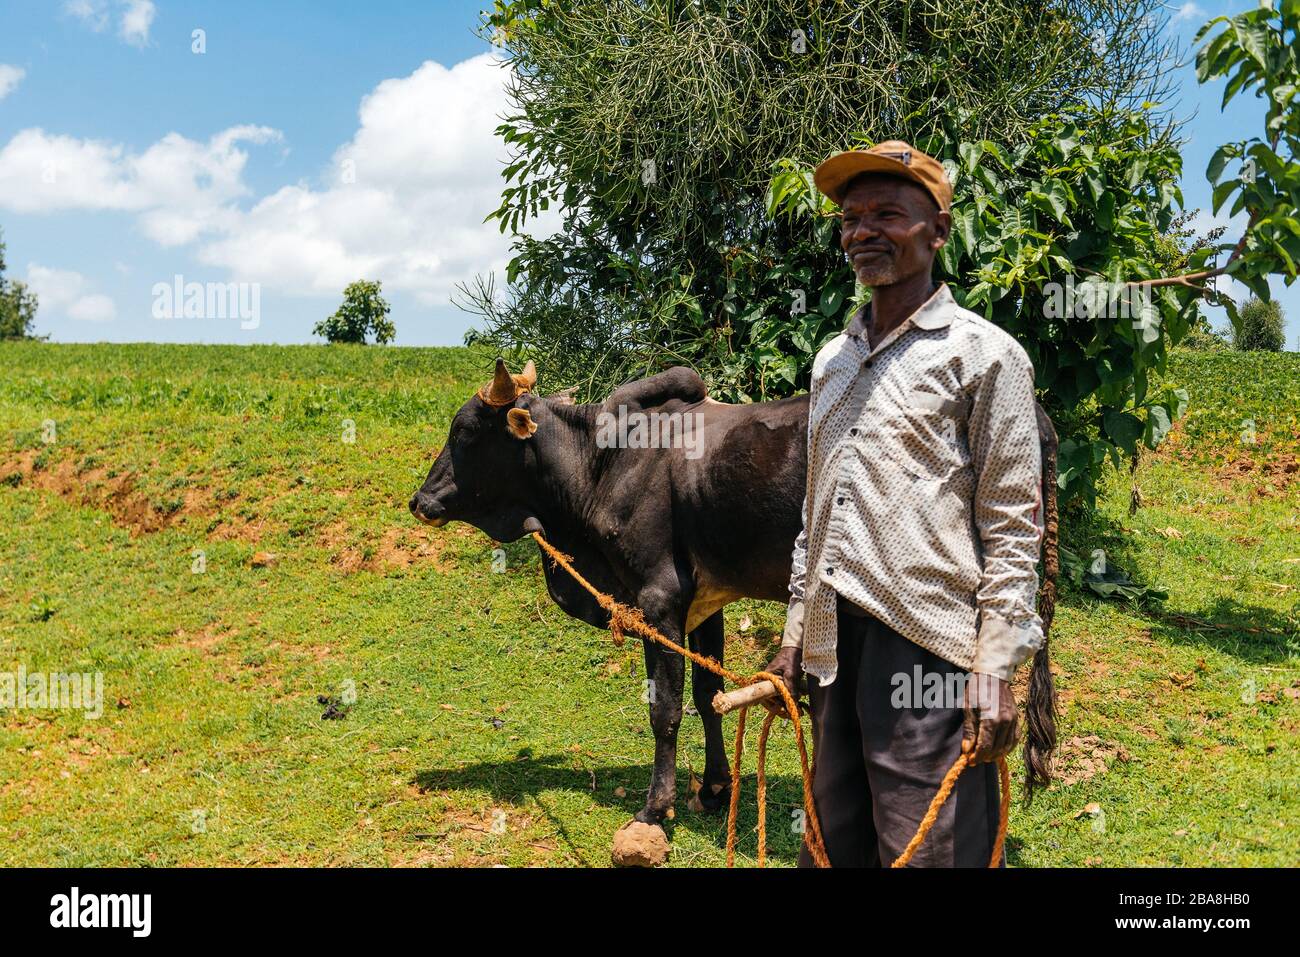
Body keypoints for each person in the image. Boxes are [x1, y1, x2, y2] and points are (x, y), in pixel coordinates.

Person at [764, 141, 1046, 867]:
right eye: (851, 218)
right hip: (832, 647)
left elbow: (1015, 525)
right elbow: (814, 514)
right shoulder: (832, 359)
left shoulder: (986, 356)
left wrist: (996, 667)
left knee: (927, 849)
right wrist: (796, 635)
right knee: (832, 846)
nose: (863, 231)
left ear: (939, 232)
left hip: (927, 650)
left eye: (888, 213)